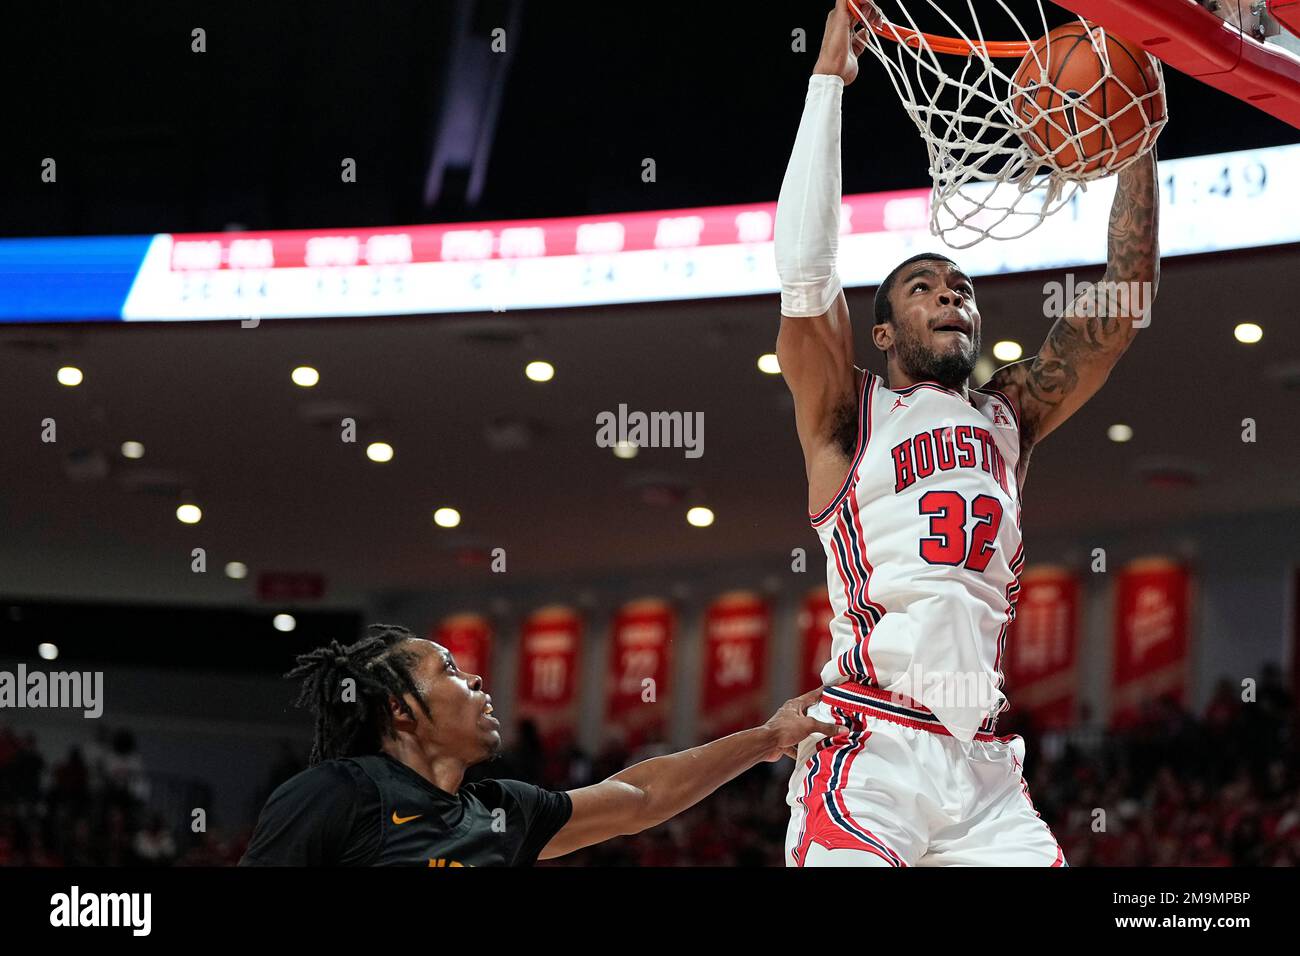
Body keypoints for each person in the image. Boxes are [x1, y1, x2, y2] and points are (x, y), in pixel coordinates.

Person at [773, 0, 1159, 866]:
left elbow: (1124, 302)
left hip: (983, 768)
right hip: (871, 749)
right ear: (882, 333)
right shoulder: (848, 412)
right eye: (923, 287)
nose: (952, 294)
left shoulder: (1008, 415)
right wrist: (827, 85)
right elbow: (806, 275)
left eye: (961, 287)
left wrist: (1134, 138)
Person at [239, 624, 833, 866]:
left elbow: (639, 799)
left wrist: (767, 739)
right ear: (398, 708)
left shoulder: (501, 812)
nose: (475, 679)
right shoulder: (339, 793)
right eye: (448, 669)